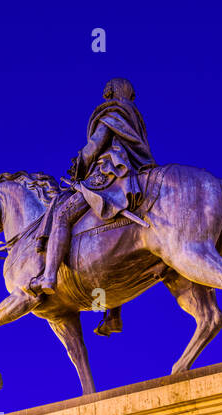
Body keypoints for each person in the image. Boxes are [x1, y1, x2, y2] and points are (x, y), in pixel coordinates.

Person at [29, 77, 157, 310]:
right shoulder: (134, 117)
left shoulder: (112, 114)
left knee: (62, 214)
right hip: (132, 176)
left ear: (111, 92)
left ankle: (48, 275)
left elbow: (95, 146)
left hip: (107, 175)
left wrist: (78, 164)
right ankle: (113, 314)